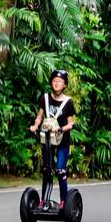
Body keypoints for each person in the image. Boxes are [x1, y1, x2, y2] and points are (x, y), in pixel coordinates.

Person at [29, 69, 76, 209]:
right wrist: (35, 125)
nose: (57, 84)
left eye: (60, 82)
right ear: (51, 83)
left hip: (62, 140)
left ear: (65, 85)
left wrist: (61, 128)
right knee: (47, 169)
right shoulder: (45, 98)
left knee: (60, 170)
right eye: (54, 81)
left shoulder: (68, 102)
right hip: (47, 139)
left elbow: (71, 123)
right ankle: (43, 200)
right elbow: (39, 116)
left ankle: (64, 202)